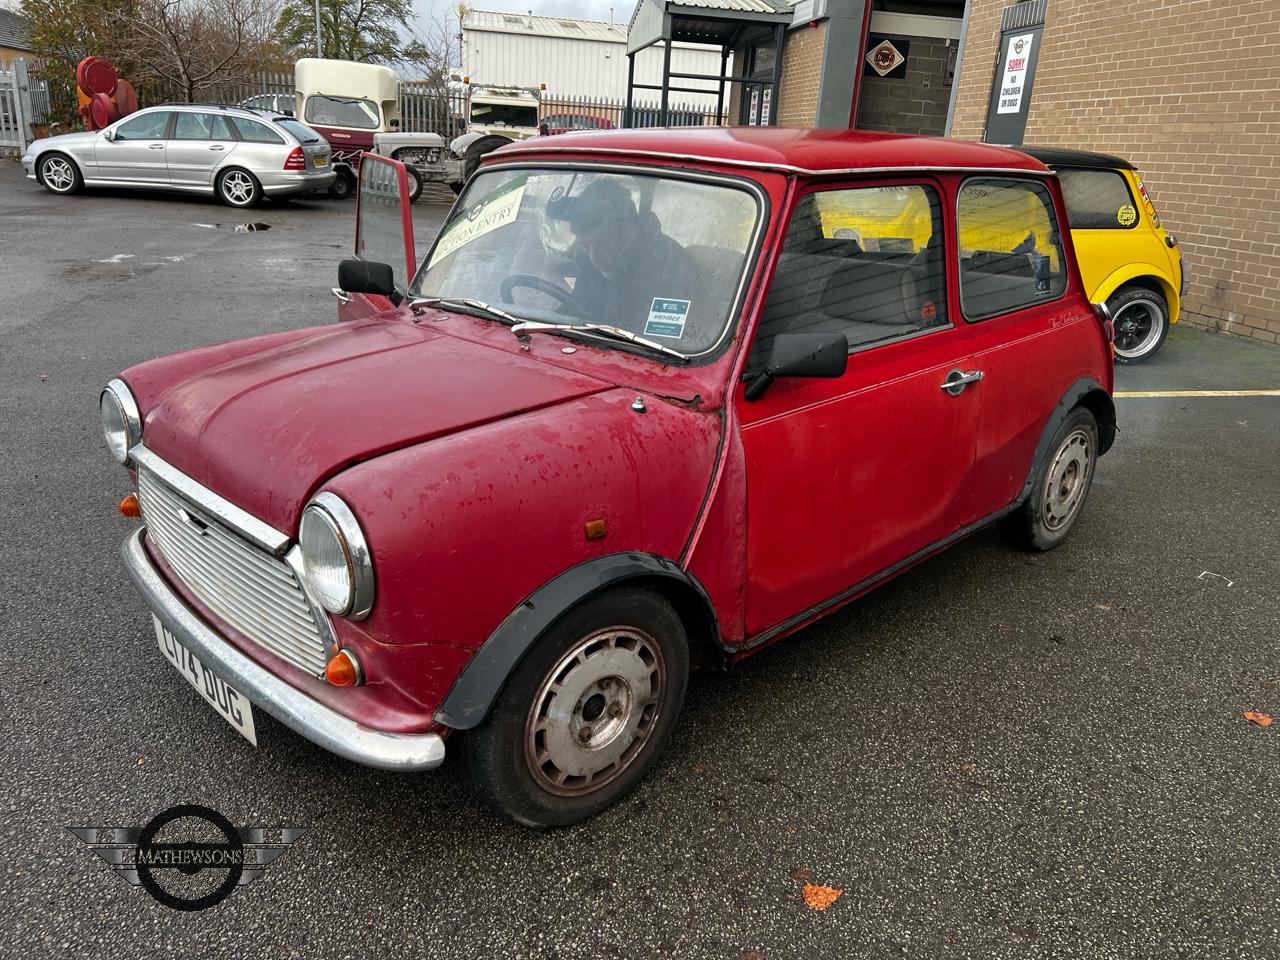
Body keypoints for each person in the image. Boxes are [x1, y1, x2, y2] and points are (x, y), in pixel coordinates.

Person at [546, 178, 697, 333]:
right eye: (585, 246)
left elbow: (659, 338)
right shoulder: (589, 262)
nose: (594, 258)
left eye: (602, 243)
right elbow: (578, 309)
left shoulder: (670, 269)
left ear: (624, 230)